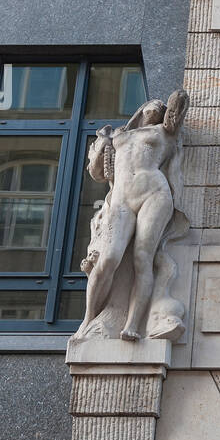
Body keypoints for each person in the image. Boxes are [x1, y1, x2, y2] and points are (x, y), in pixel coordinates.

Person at [79, 89, 188, 341]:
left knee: (142, 258)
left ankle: (133, 324)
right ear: (140, 111)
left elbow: (177, 106)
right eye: (152, 105)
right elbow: (98, 172)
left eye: (160, 107)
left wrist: (177, 97)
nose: (156, 107)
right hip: (121, 199)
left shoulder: (165, 132)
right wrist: (101, 146)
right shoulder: (119, 135)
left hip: (154, 193)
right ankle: (88, 319)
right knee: (108, 259)